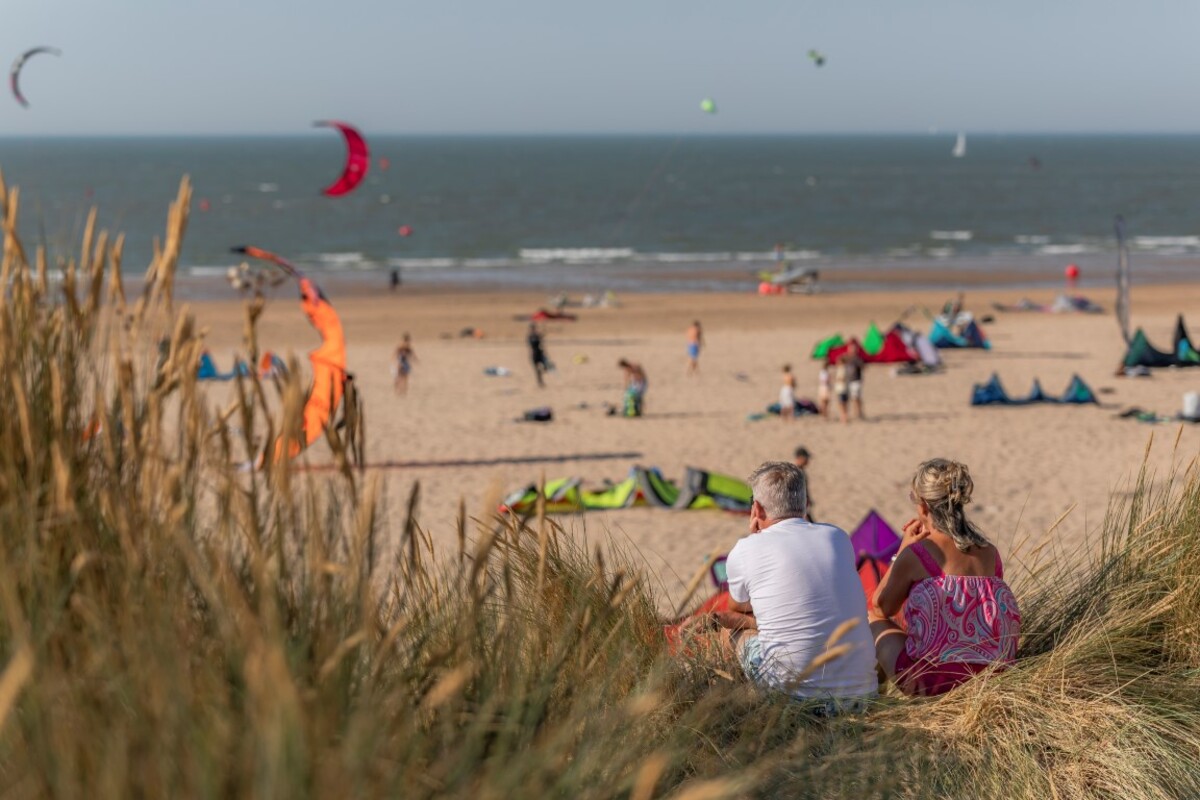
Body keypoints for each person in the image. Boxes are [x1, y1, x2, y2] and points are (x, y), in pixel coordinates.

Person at [713, 462, 877, 707]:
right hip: (862, 698)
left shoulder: (746, 549)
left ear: (756, 508)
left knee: (731, 632)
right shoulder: (838, 537)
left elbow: (737, 608)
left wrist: (755, 538)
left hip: (794, 701)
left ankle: (749, 707)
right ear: (805, 504)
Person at [869, 459, 1021, 697]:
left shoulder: (918, 554)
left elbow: (881, 607)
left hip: (931, 682)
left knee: (872, 622)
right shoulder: (990, 553)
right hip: (993, 679)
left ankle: (877, 701)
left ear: (923, 507)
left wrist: (903, 549)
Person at [793, 446, 814, 521]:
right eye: (806, 458)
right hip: (799, 509)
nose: (808, 460)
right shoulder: (795, 472)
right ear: (800, 458)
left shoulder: (800, 471)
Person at [528, 323, 550, 388]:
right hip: (535, 354)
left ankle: (541, 376)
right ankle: (540, 382)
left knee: (546, 366)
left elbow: (542, 340)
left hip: (540, 353)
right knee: (537, 370)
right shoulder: (530, 336)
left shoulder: (537, 335)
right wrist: (538, 337)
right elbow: (533, 343)